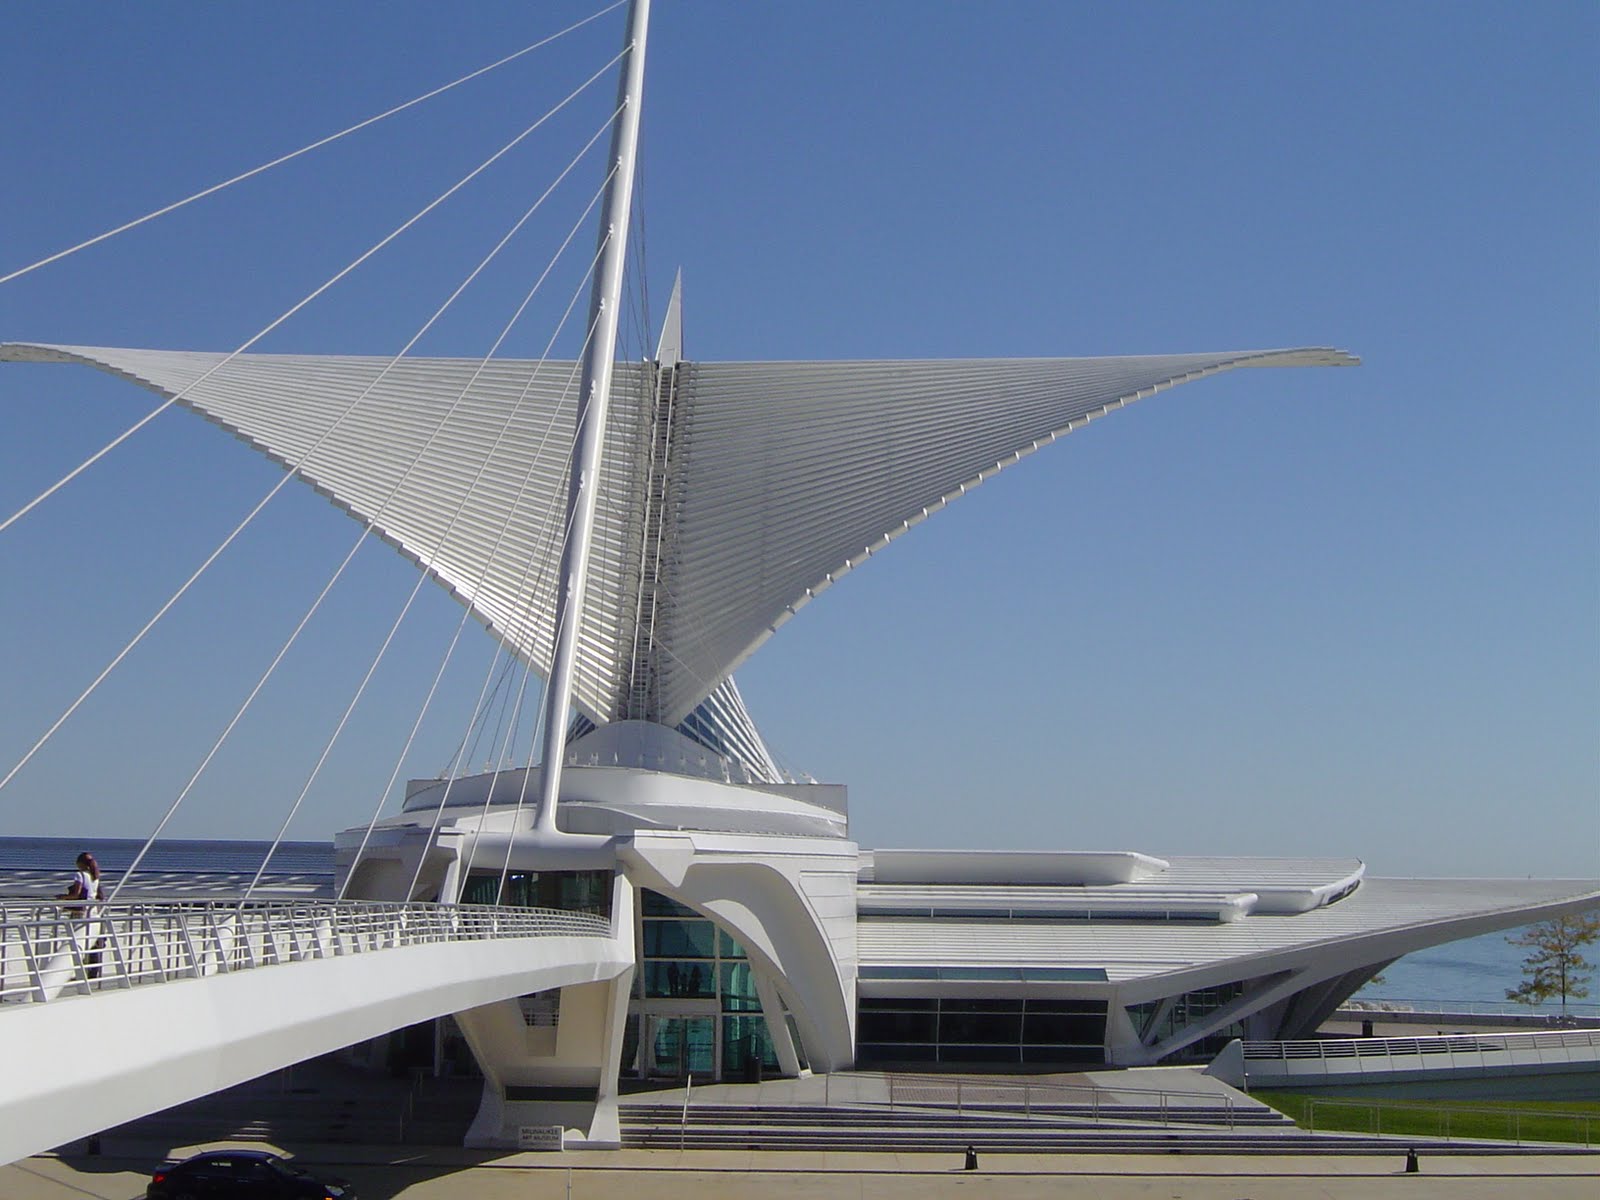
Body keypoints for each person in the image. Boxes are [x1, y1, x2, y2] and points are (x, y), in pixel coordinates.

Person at [57, 851, 105, 979]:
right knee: (90, 942)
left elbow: (76, 894)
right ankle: (91, 972)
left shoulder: (80, 875)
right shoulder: (95, 877)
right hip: (92, 911)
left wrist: (63, 898)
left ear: (79, 864)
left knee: (76, 941)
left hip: (80, 912)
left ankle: (78, 972)